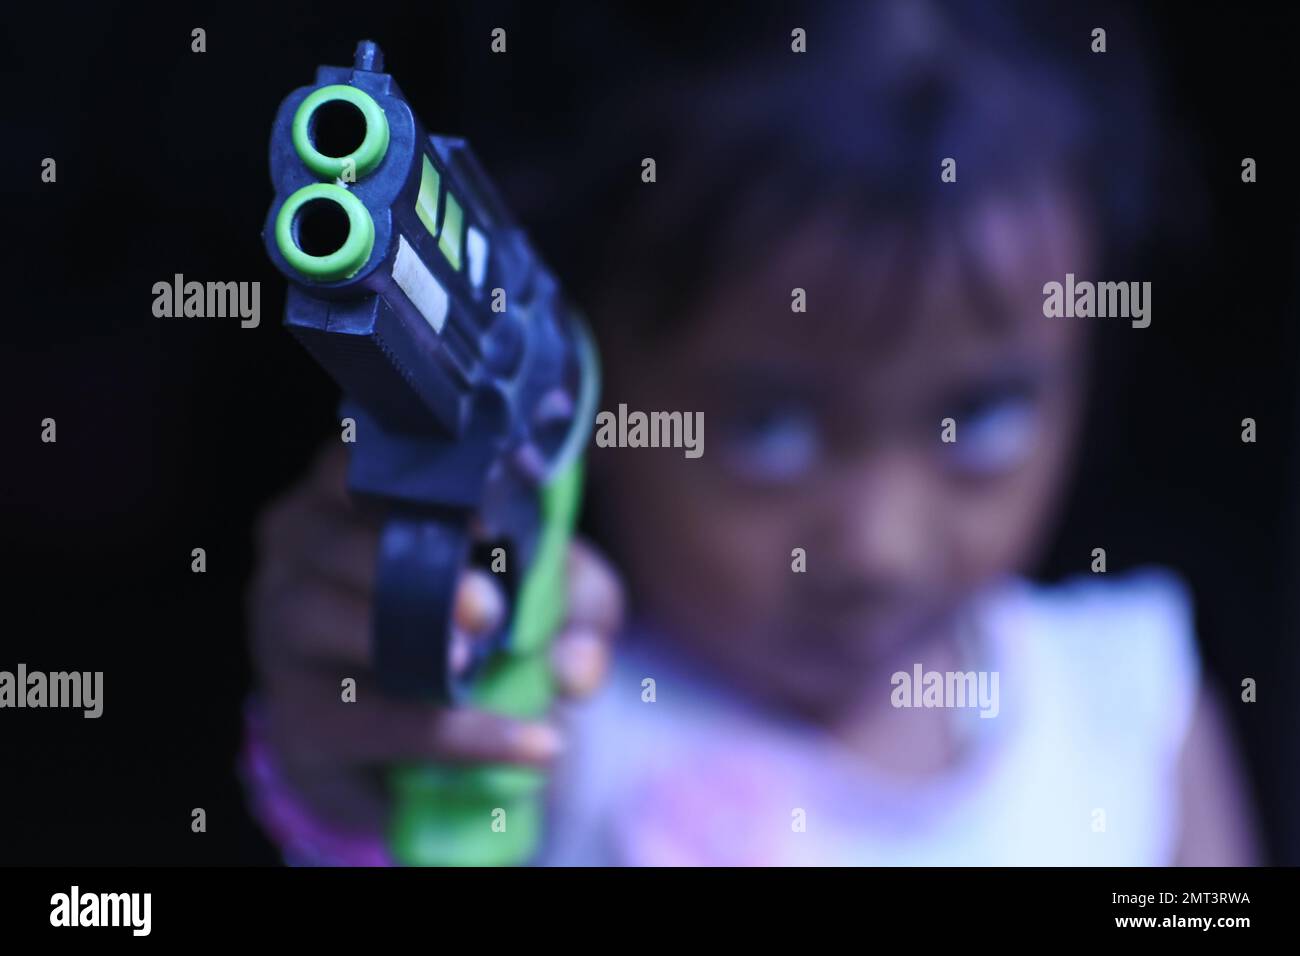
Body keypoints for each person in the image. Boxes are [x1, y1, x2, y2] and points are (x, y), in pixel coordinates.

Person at [242, 0, 1259, 865]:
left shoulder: (1137, 716)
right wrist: (363, 766)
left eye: (978, 418)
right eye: (766, 428)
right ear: (598, 360)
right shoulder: (542, 735)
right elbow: (386, 784)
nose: (877, 545)